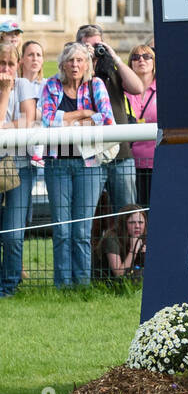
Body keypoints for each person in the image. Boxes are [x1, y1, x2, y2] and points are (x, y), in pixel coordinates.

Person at [40, 43, 116, 288]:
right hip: (58, 164)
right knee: (62, 231)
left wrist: (67, 120)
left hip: (89, 165)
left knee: (82, 231)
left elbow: (105, 118)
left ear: (87, 64)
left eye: (80, 60)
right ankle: (63, 286)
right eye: (70, 61)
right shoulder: (52, 85)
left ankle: (82, 285)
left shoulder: (96, 86)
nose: (75, 65)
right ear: (62, 64)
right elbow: (48, 120)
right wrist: (83, 112)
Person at [76, 23, 141, 211]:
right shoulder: (74, 70)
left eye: (97, 45)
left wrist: (114, 57)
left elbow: (136, 87)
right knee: (86, 213)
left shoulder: (111, 68)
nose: (94, 50)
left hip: (120, 154)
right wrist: (83, 59)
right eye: (87, 45)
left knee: (127, 213)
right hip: (90, 155)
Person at [0, 44, 38, 297]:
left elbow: (29, 120)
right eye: (1, 64)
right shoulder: (8, 88)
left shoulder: (24, 85)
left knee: (13, 233)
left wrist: (6, 125)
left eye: (10, 64)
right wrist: (4, 93)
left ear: (18, 65)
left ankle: (9, 287)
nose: (5, 69)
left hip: (19, 165)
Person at [123, 44, 158, 207]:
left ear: (154, 62)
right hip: (129, 163)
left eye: (146, 56)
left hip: (156, 161)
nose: (141, 60)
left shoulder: (163, 89)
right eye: (135, 57)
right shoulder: (122, 91)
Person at [98, 204, 147, 278]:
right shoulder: (112, 238)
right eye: (132, 222)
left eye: (140, 222)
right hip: (108, 283)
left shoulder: (144, 237)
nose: (137, 226)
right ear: (123, 223)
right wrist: (133, 250)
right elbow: (119, 274)